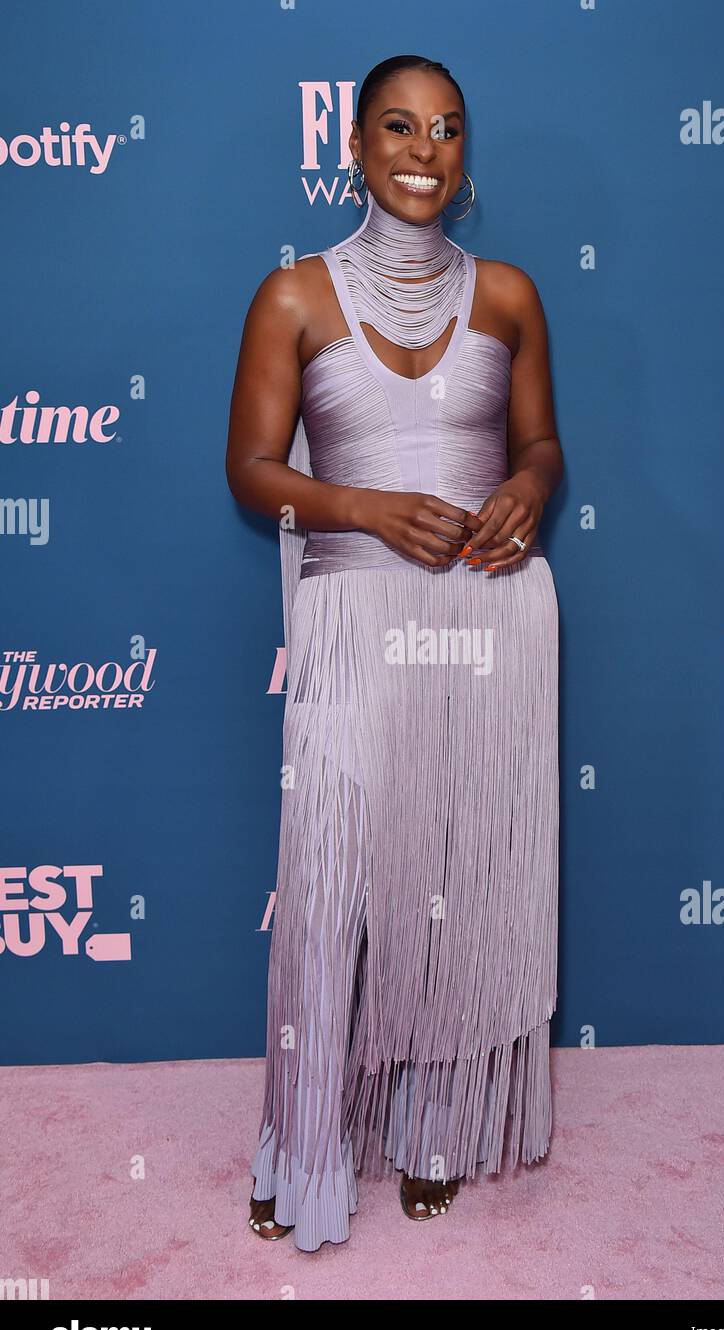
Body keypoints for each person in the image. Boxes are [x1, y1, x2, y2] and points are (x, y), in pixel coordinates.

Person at [226, 53, 563, 1251]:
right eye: (399, 127)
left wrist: (525, 484)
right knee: (326, 891)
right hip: (353, 616)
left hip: (487, 618)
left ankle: (433, 1123)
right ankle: (303, 1139)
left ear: (464, 158)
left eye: (448, 131)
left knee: (453, 877)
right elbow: (251, 471)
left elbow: (539, 446)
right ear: (356, 148)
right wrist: (365, 506)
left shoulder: (514, 295)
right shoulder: (294, 298)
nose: (424, 150)